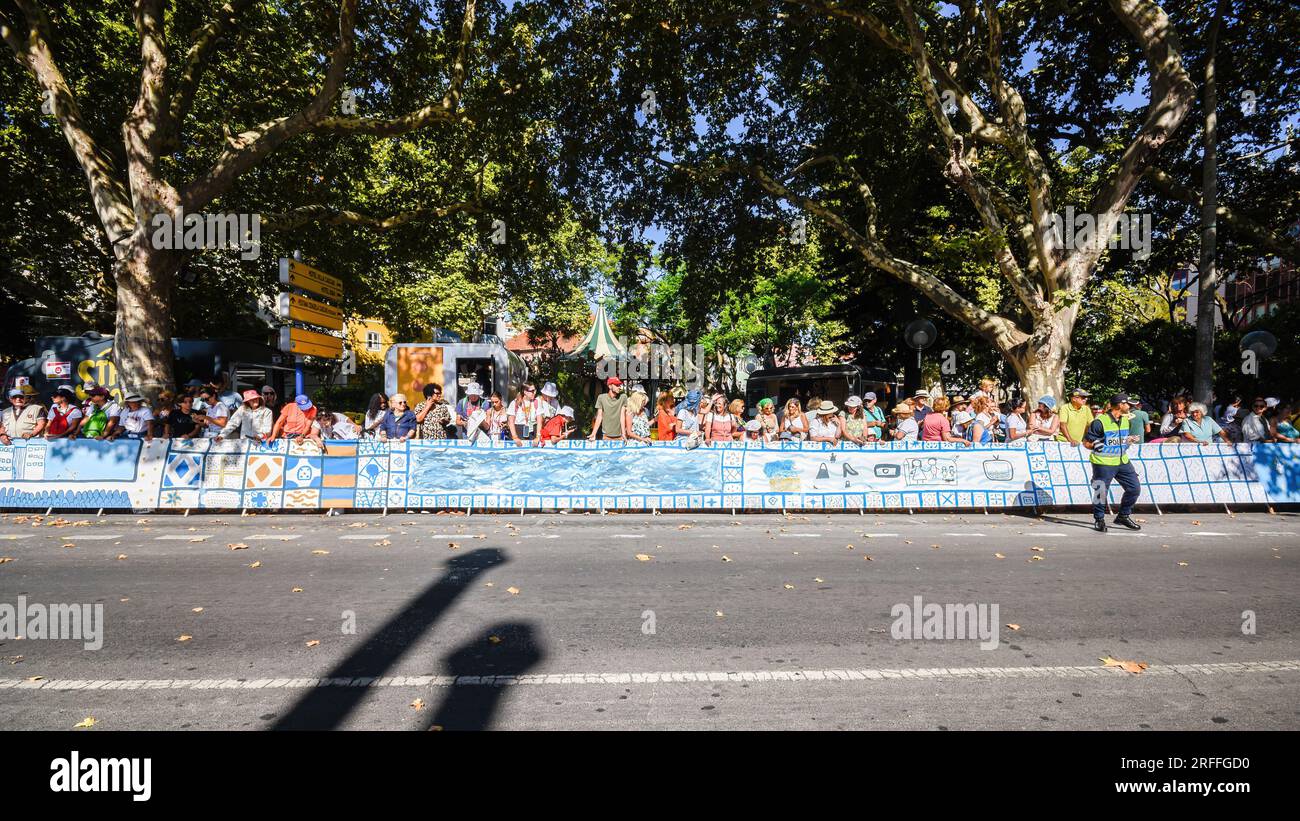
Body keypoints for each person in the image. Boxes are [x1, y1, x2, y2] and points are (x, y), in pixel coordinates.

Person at [1083, 393, 1142, 532]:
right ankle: (1099, 519)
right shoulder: (1100, 422)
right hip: (1103, 462)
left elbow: (1121, 439)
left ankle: (1123, 516)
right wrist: (1094, 445)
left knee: (1134, 489)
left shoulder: (1126, 420)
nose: (1130, 406)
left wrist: (1129, 440)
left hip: (1122, 461)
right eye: (1128, 404)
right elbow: (1086, 442)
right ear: (1120, 405)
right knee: (1101, 491)